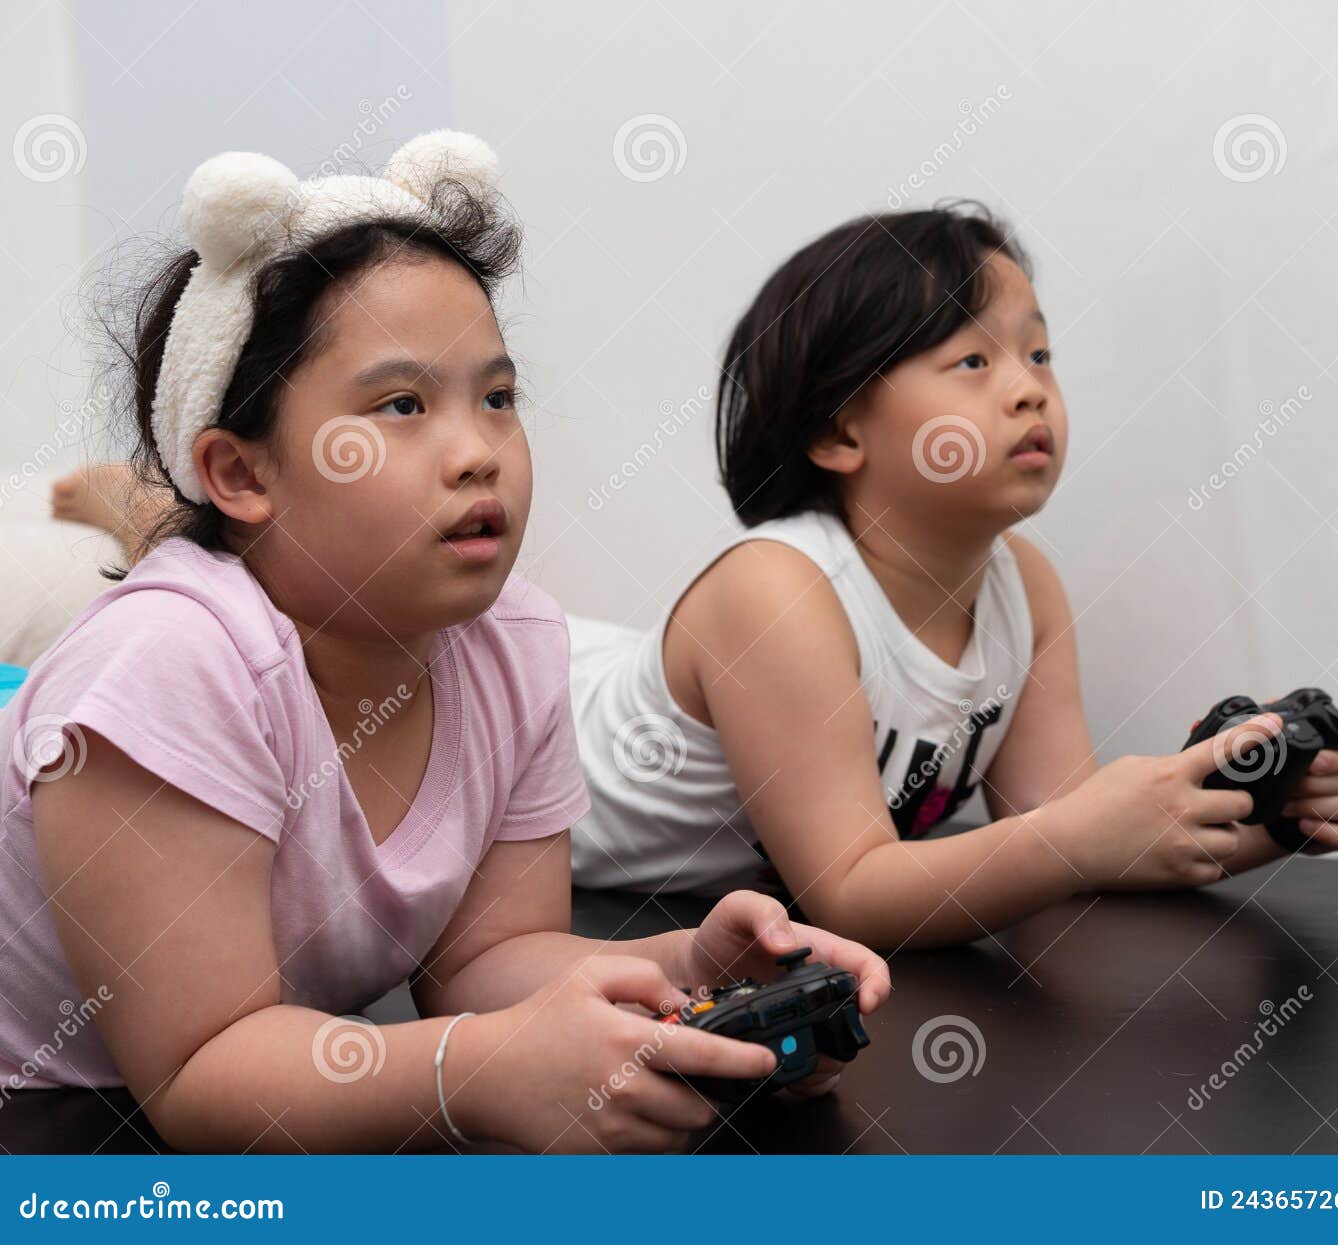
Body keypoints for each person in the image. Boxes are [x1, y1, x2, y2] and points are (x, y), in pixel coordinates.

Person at [0, 131, 889, 1154]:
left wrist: (690, 978)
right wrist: (477, 1071)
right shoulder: (168, 667)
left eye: (497, 399)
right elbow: (202, 1074)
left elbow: (484, 961)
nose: (477, 453)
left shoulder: (512, 646)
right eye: (402, 405)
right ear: (242, 474)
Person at [565, 204, 1338, 950]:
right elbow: (848, 893)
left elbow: (1075, 834)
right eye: (974, 359)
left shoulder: (1025, 588)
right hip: (535, 715)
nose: (1029, 390)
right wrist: (1079, 833)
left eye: (1039, 354)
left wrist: (1276, 818)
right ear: (839, 431)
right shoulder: (774, 594)